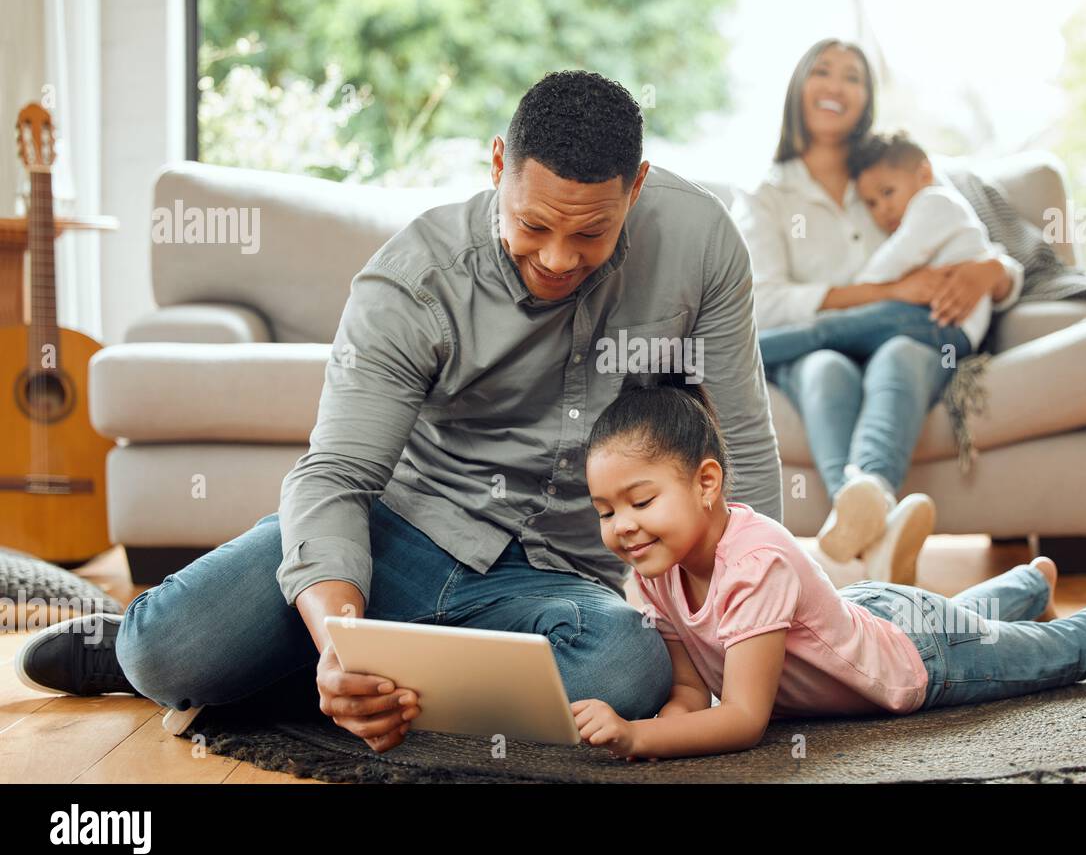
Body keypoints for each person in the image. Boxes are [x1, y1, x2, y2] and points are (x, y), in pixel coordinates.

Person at [15, 70, 782, 754]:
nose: (557, 258)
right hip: (398, 536)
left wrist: (763, 609)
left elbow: (739, 434)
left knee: (628, 671)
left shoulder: (700, 244)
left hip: (555, 576)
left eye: (591, 233)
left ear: (637, 187)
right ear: (496, 167)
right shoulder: (415, 281)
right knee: (165, 655)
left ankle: (296, 677)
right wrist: (342, 639)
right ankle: (222, 657)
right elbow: (337, 476)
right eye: (534, 226)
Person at [573, 379, 1086, 761]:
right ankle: (1030, 582)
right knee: (962, 621)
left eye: (640, 501)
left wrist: (639, 736)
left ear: (708, 482)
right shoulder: (655, 568)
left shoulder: (754, 562)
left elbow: (745, 716)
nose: (622, 526)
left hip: (922, 660)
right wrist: (653, 723)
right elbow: (692, 695)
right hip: (869, 616)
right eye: (605, 510)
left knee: (1066, 652)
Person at [730, 39, 1026, 578]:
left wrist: (992, 271)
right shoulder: (764, 195)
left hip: (909, 339)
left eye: (853, 77)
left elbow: (979, 246)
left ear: (867, 98)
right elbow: (767, 301)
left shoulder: (895, 176)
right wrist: (890, 293)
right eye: (823, 71)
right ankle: (872, 522)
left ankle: (866, 511)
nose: (836, 86)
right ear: (798, 85)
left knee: (904, 356)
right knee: (824, 366)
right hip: (821, 348)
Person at [757, 129, 1000, 371]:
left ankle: (740, 354)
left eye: (888, 192)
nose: (882, 209)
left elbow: (895, 258)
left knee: (828, 330)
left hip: (945, 325)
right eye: (871, 203)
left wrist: (866, 289)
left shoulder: (934, 203)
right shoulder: (935, 210)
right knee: (836, 334)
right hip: (943, 328)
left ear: (924, 174)